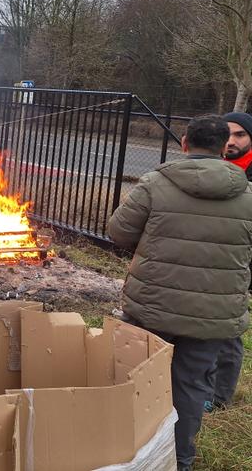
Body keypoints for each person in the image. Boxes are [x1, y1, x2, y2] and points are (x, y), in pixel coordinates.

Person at [108, 114, 252, 471]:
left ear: (184, 143)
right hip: (212, 317)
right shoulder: (248, 195)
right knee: (190, 388)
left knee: (138, 377)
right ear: (223, 149)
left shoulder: (156, 183)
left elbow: (118, 231)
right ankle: (179, 459)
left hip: (152, 306)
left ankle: (130, 451)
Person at [207, 111, 252, 412]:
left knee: (228, 331)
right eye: (227, 134)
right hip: (212, 260)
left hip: (240, 264)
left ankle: (219, 396)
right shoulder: (214, 168)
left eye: (240, 135)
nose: (231, 141)